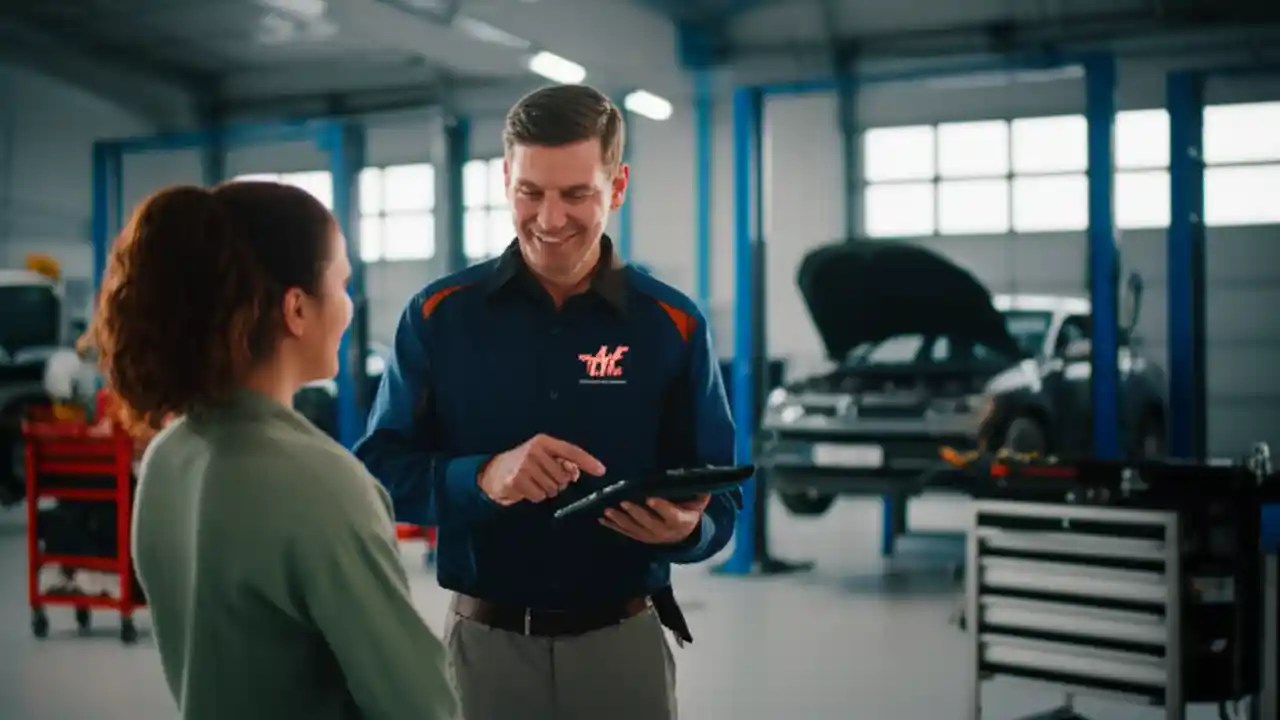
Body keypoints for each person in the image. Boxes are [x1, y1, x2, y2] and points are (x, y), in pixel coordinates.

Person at [355, 83, 740, 719]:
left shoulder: (671, 324)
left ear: (616, 188)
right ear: (506, 178)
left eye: (576, 194)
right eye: (530, 192)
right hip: (485, 651)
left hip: (625, 649)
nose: (550, 219)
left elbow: (721, 494)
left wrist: (690, 530)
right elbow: (377, 471)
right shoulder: (438, 317)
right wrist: (480, 477)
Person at [87, 181, 458, 720]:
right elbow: (422, 705)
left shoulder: (169, 458)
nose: (350, 309)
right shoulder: (321, 482)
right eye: (342, 285)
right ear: (297, 309)